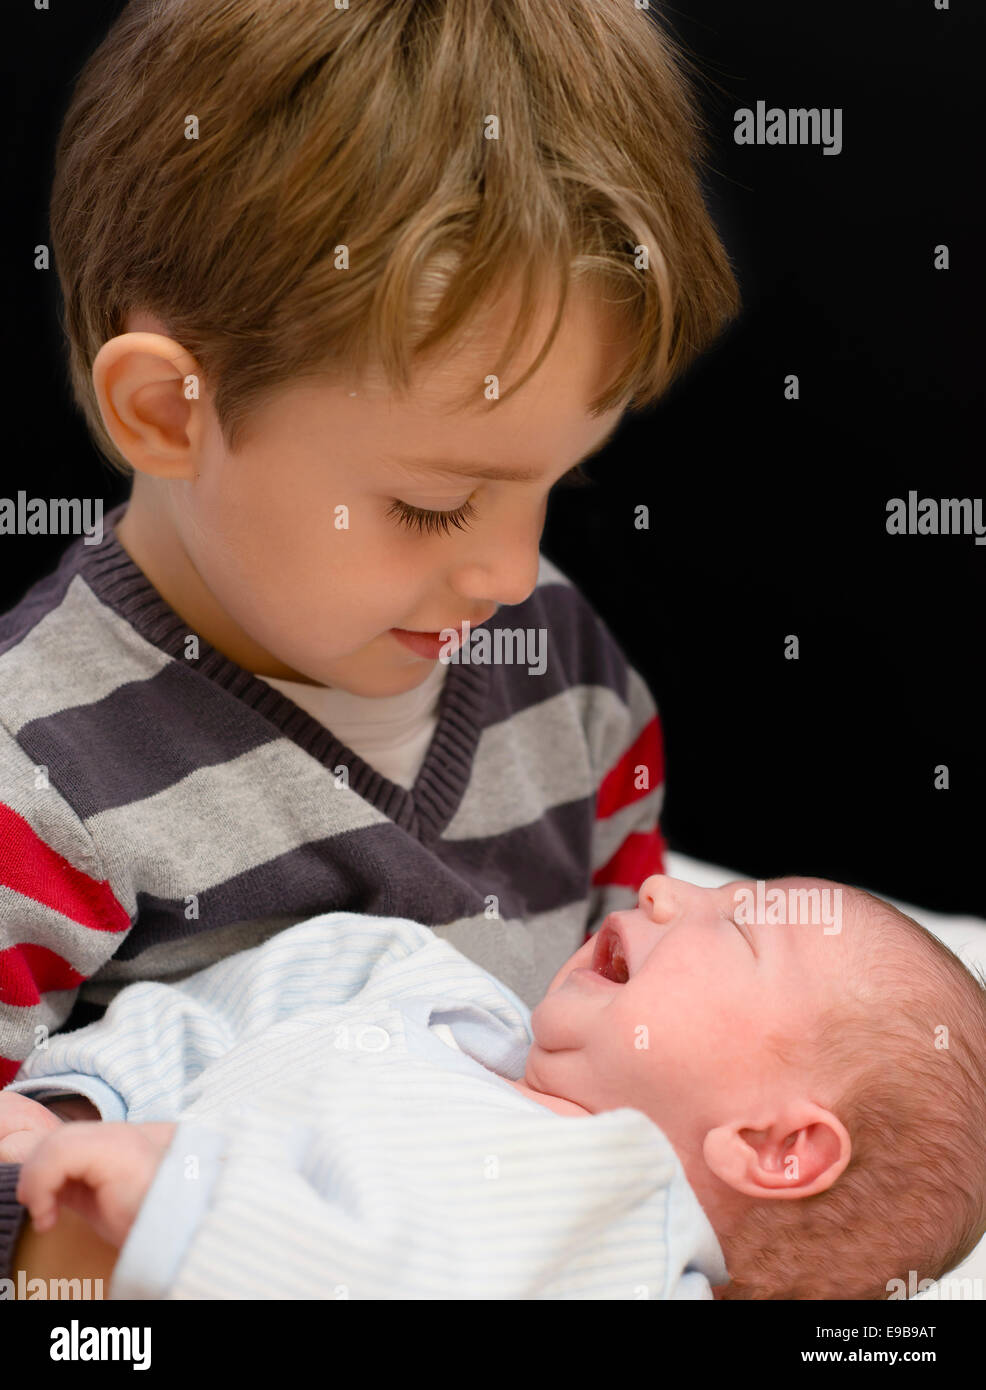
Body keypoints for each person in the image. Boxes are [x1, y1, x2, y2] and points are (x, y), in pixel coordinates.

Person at [0, 0, 740, 1090]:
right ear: (167, 411)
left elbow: (642, 1050)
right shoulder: (45, 789)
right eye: (434, 504)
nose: (504, 575)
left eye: (556, 480)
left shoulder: (562, 675)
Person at [3, 873, 984, 1299]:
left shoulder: (623, 1239)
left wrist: (179, 1206)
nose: (661, 891)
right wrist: (85, 1104)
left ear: (775, 1145)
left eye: (733, 927)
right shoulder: (411, 977)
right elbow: (212, 1012)